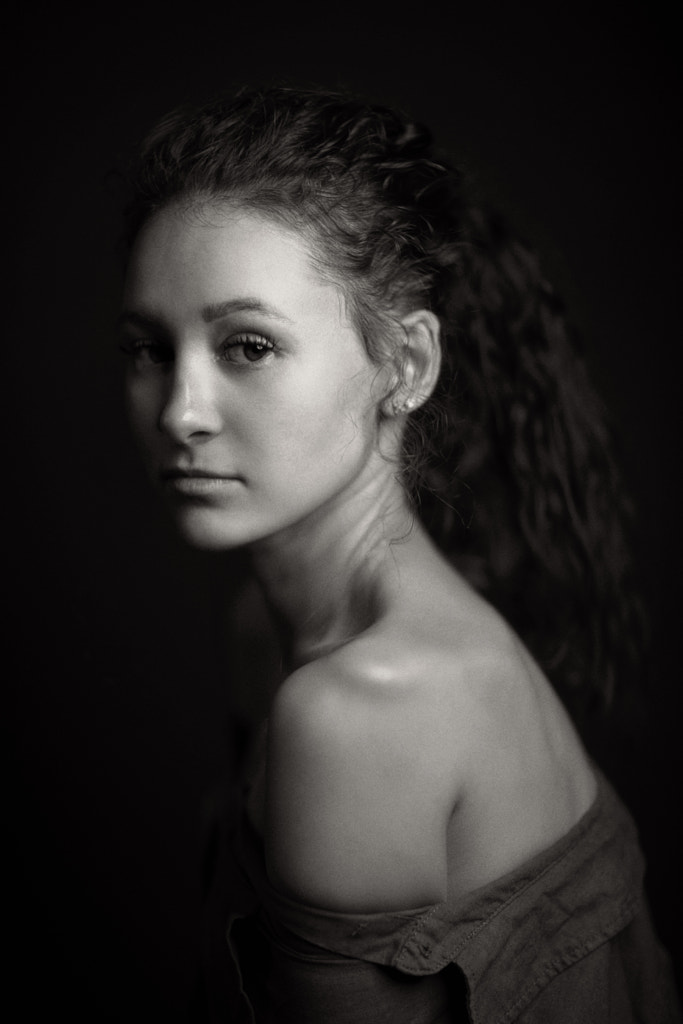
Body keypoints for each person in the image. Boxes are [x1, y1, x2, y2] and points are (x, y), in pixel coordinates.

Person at [118, 85, 680, 1023]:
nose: (181, 411)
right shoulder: (268, 631)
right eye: (147, 349)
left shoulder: (364, 709)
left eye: (247, 345)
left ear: (407, 366)